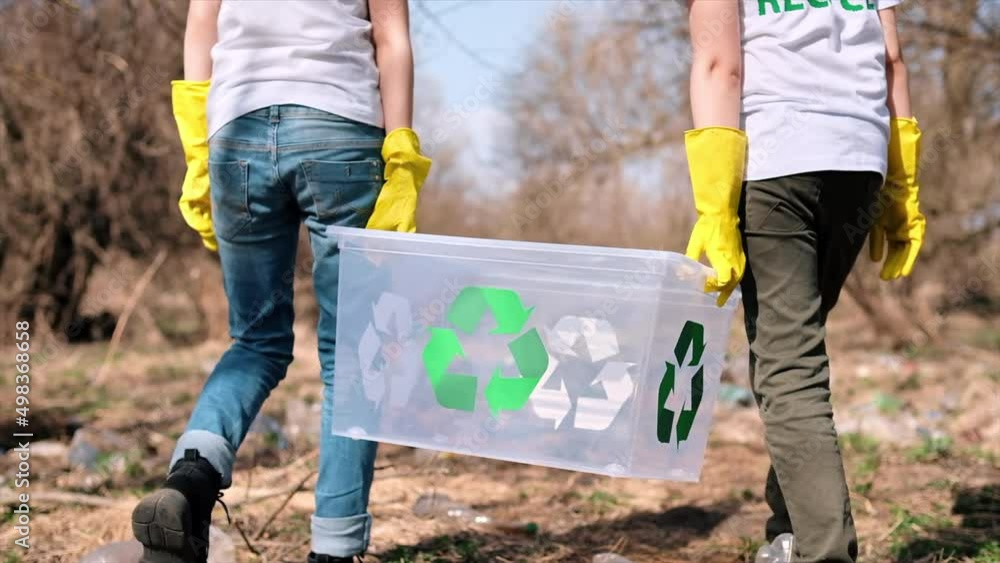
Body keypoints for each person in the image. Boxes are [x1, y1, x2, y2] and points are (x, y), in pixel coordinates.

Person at [131, 1, 431, 562]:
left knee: (255, 341)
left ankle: (192, 479)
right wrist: (401, 153)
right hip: (340, 132)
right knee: (353, 352)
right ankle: (335, 547)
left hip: (236, 129)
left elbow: (202, 25)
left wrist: (199, 148)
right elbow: (392, 38)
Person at [683, 1, 925, 561]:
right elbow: (892, 59)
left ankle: (823, 551)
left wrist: (716, 204)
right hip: (861, 163)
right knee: (791, 353)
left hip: (779, 158)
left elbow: (722, 64)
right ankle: (788, 534)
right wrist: (904, 183)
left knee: (788, 366)